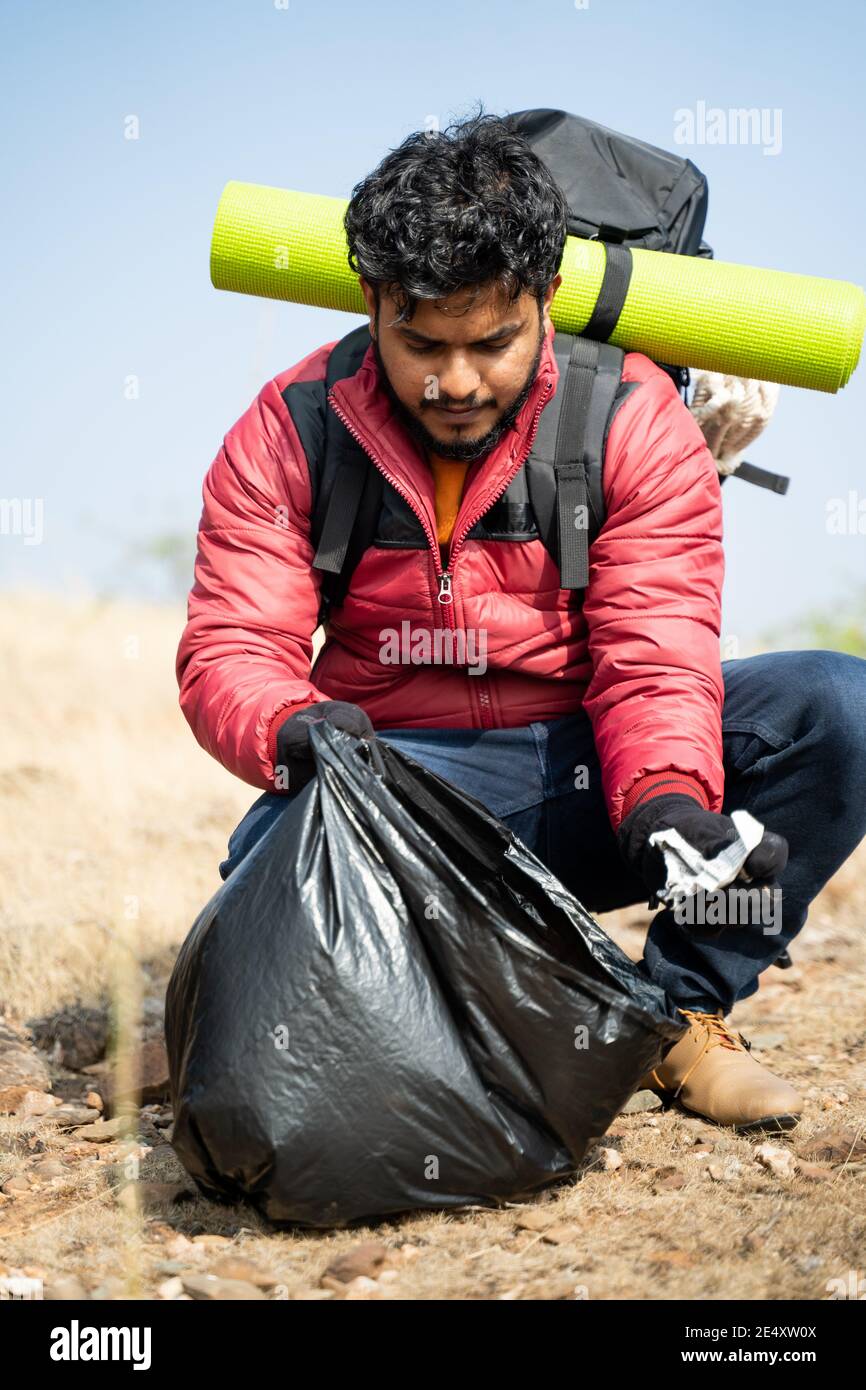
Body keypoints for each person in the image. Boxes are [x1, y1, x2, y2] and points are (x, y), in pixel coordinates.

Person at [176, 112, 866, 1132]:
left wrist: (668, 804)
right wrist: (292, 726)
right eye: (421, 343)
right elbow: (233, 645)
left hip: (596, 782)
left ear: (545, 300)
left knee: (835, 707)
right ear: (371, 303)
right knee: (272, 909)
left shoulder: (630, 418)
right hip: (399, 791)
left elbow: (655, 652)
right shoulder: (294, 424)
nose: (454, 382)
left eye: (489, 342)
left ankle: (680, 1013)